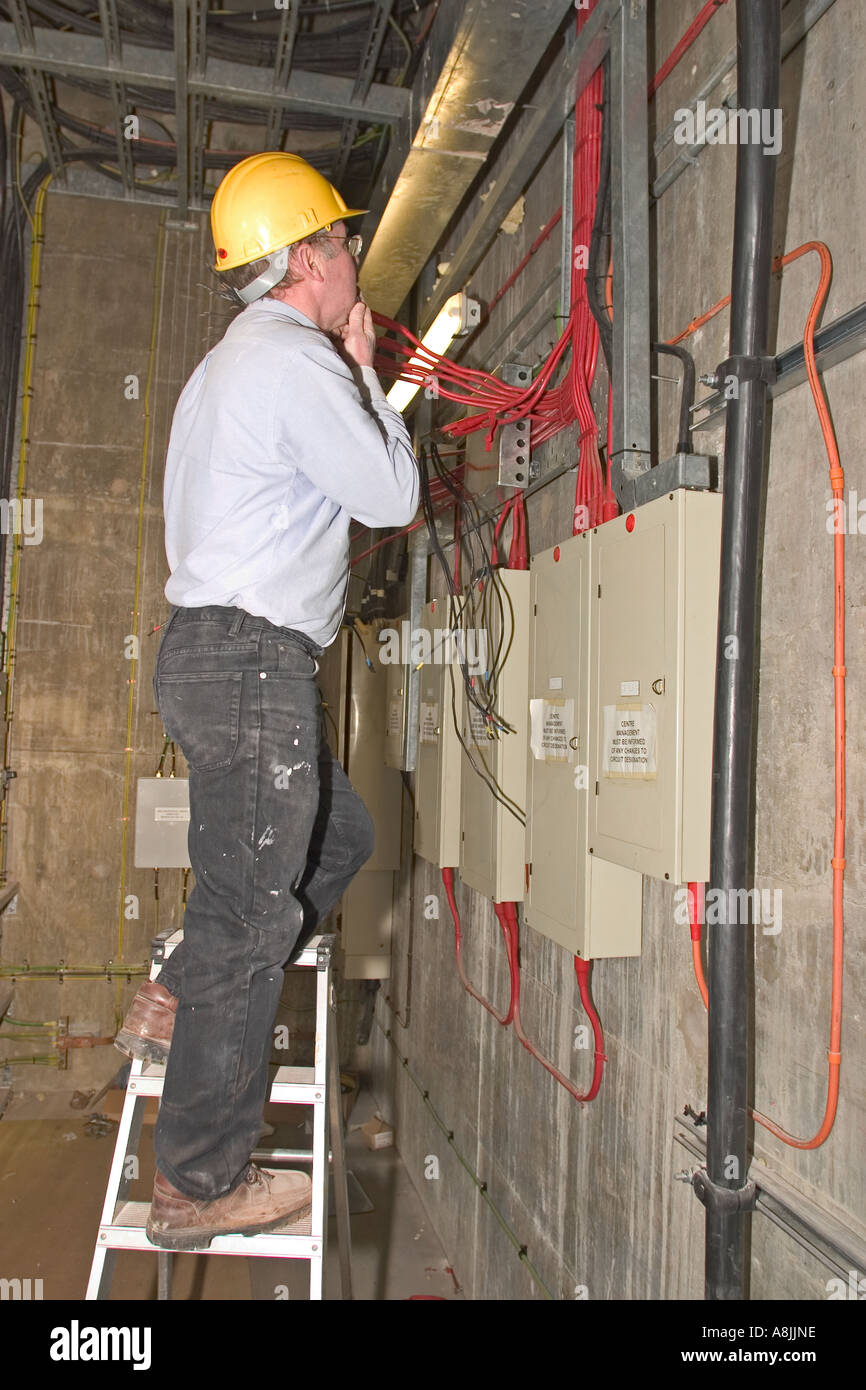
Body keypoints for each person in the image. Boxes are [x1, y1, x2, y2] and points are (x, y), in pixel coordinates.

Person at [115, 152, 419, 1251]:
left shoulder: (222, 368)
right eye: (340, 242)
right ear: (306, 261)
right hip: (249, 665)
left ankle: (179, 994)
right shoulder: (298, 362)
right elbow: (391, 494)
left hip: (212, 657)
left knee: (337, 837)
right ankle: (198, 1182)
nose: (350, 261)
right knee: (253, 913)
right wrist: (364, 372)